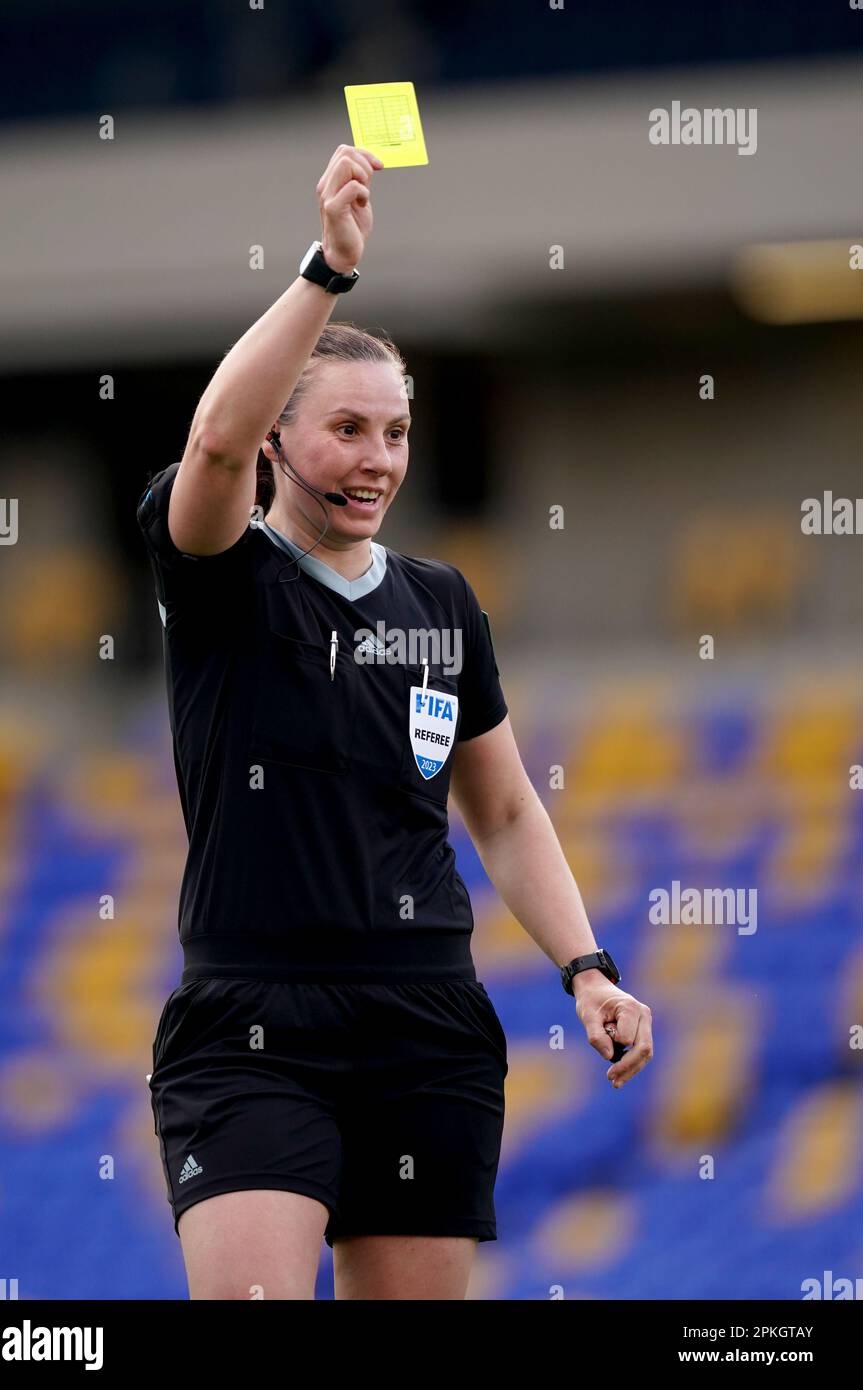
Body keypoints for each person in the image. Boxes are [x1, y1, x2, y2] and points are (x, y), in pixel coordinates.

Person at [137, 144, 654, 1301]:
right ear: (279, 439)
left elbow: (506, 808)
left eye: (396, 432)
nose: (377, 461)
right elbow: (213, 441)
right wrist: (327, 269)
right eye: (346, 431)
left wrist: (585, 967)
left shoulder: (441, 603)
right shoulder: (221, 572)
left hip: (426, 1021)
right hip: (251, 1023)